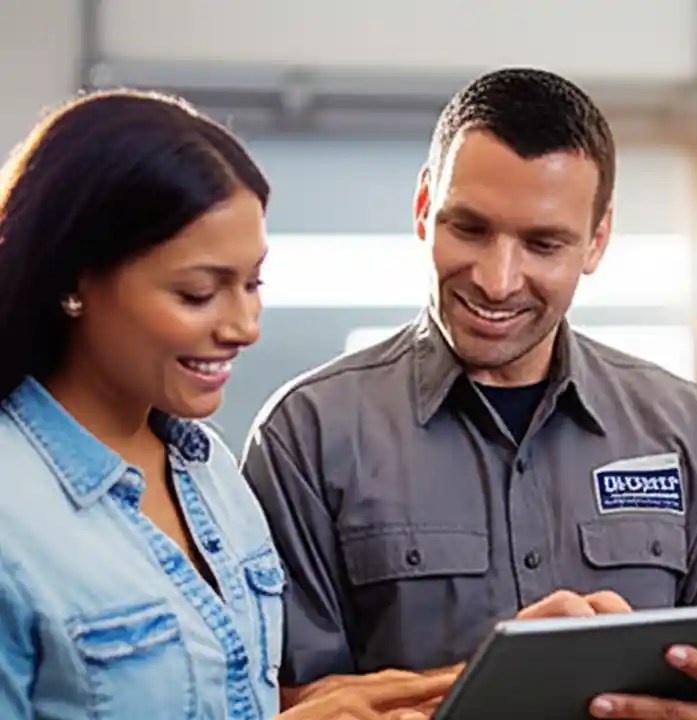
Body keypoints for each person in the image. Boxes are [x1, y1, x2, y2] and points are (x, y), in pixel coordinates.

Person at [241, 67, 697, 719]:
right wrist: (488, 679)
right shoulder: (308, 436)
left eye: (543, 244)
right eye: (470, 229)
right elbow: (280, 695)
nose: (497, 279)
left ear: (597, 240)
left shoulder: (690, 430)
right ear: (425, 210)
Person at [0, 89, 450, 720]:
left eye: (253, 283)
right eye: (199, 292)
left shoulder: (210, 472)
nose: (244, 326)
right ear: (73, 279)